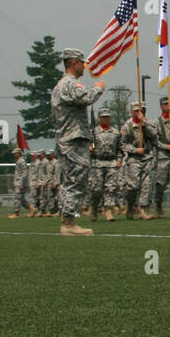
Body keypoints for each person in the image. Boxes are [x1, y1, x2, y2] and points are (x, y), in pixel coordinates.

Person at [50, 47, 107, 235]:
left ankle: (68, 220)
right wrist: (98, 89)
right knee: (76, 181)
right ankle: (68, 223)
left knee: (69, 181)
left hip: (67, 140)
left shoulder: (61, 85)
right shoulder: (69, 84)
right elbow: (87, 98)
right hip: (73, 140)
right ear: (73, 63)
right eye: (82, 63)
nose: (84, 67)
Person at [120, 102, 157, 219]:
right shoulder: (127, 126)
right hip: (134, 159)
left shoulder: (147, 123)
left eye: (142, 111)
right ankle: (130, 205)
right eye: (136, 111)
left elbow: (154, 135)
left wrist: (144, 122)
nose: (139, 113)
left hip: (147, 157)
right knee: (133, 186)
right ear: (132, 112)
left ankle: (143, 210)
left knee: (146, 185)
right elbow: (122, 144)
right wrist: (135, 150)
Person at [87, 108, 121, 221]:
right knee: (97, 189)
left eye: (108, 117)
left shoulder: (116, 132)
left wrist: (119, 160)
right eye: (104, 117)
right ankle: (94, 207)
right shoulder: (93, 132)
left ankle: (108, 210)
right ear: (99, 118)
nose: (106, 119)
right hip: (97, 163)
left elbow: (120, 149)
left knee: (110, 188)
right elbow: (85, 149)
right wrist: (89, 149)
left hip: (111, 162)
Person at [9, 147, 30, 218]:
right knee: (22, 200)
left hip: (21, 183)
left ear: (18, 153)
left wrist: (21, 183)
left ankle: (17, 213)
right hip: (18, 183)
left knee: (17, 198)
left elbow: (24, 173)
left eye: (15, 153)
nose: (14, 155)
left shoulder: (21, 161)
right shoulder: (18, 161)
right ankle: (32, 209)